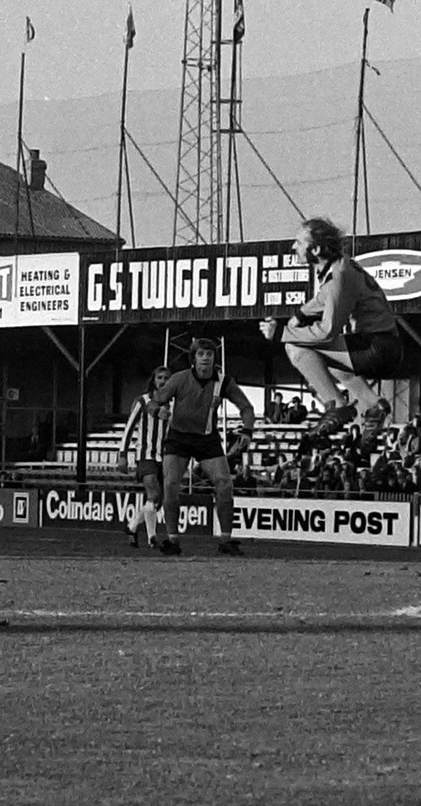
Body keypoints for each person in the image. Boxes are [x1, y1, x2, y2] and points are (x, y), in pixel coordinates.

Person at [261, 217, 404, 444]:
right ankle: (373, 404)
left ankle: (336, 404)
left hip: (378, 346)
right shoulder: (339, 268)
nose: (293, 246)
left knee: (296, 346)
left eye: (299, 242)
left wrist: (281, 334)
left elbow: (327, 331)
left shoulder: (339, 276)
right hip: (382, 344)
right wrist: (298, 317)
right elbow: (324, 298)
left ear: (316, 249)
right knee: (330, 359)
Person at [149, 338, 256, 556]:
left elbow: (246, 407)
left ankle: (225, 539)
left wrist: (247, 430)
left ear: (215, 358)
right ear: (194, 358)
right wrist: (157, 411)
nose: (206, 358)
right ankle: (173, 539)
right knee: (170, 484)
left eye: (209, 354)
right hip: (178, 438)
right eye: (201, 354)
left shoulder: (223, 381)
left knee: (224, 483)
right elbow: (154, 401)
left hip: (207, 438)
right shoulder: (180, 379)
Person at [117, 365, 171, 549]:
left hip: (164, 458)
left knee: (157, 500)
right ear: (154, 380)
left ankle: (133, 527)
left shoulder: (172, 404)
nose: (163, 381)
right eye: (160, 377)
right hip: (145, 455)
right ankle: (152, 536)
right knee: (154, 493)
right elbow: (129, 427)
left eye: (166, 378)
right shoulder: (142, 401)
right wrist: (122, 454)